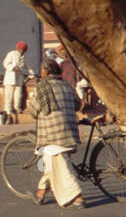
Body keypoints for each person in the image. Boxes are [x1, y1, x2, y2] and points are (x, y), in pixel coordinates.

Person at [30, 59, 85, 208]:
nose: (40, 74)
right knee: (51, 164)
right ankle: (41, 192)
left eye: (42, 71)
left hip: (52, 135)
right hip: (70, 132)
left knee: (61, 168)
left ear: (46, 72)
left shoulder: (41, 87)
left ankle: (76, 196)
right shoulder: (66, 85)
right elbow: (78, 104)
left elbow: (33, 111)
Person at [2, 41, 29, 124]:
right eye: (21, 49)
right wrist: (13, 68)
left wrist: (21, 70)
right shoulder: (12, 54)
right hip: (10, 79)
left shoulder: (23, 58)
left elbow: (25, 70)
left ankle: (16, 115)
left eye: (23, 50)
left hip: (19, 80)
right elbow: (5, 63)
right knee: (9, 99)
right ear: (18, 48)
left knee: (18, 98)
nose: (22, 51)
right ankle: (9, 116)